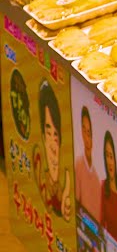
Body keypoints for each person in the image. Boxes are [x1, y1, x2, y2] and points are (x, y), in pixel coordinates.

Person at [34, 80, 71, 219]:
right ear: (43, 137)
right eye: (49, 134)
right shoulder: (40, 172)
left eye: (56, 135)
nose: (53, 148)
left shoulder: (66, 185)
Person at [75, 106, 102, 221]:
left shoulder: (97, 177)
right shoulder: (79, 166)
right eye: (84, 131)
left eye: (89, 132)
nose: (87, 137)